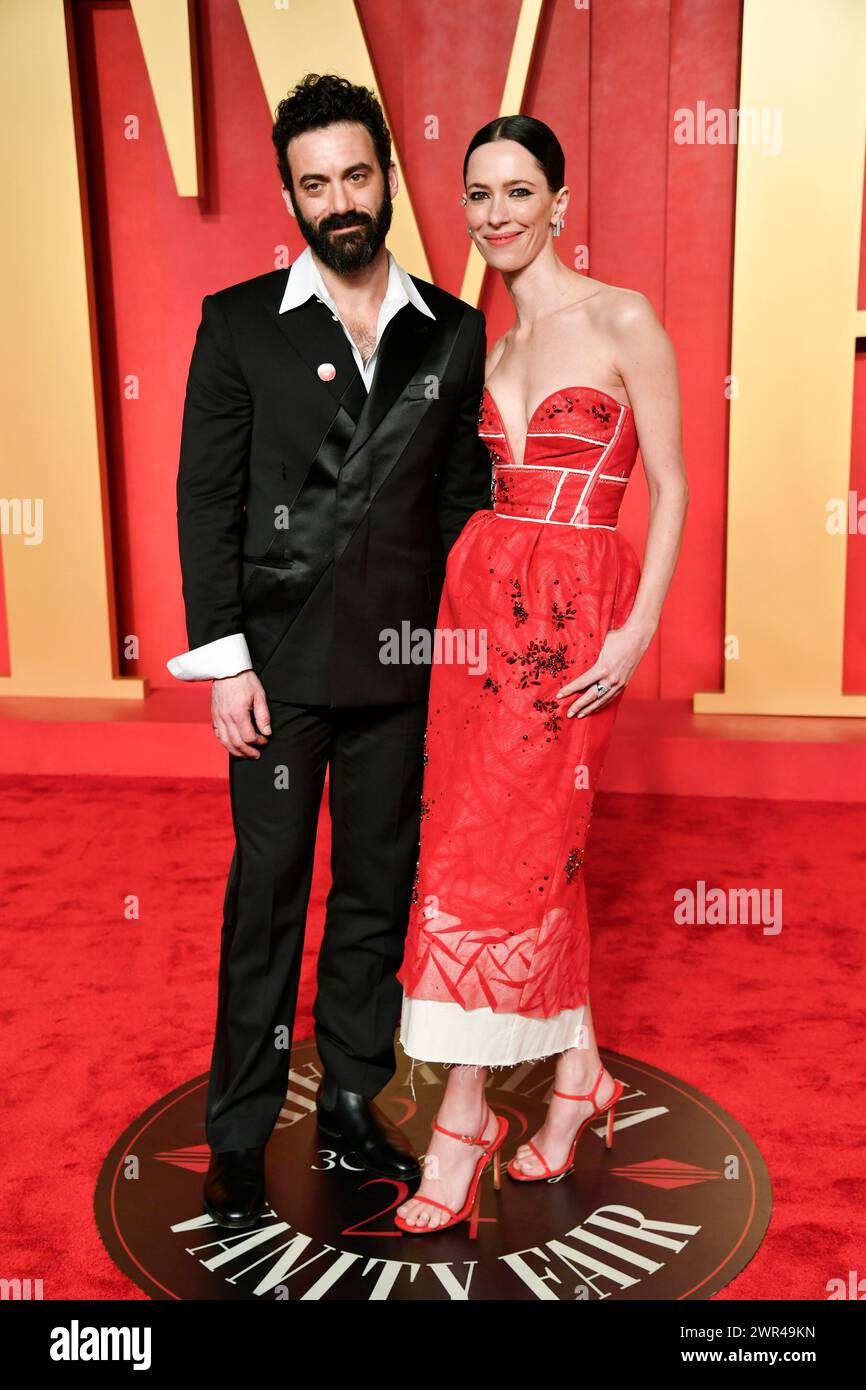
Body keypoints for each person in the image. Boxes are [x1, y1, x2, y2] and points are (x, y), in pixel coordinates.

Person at [167, 73, 492, 1230]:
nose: (339, 199)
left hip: (403, 672)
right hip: (278, 675)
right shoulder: (239, 321)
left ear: (388, 177)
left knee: (373, 892)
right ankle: (242, 1130)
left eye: (357, 174)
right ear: (292, 195)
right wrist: (226, 664)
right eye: (315, 182)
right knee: (267, 896)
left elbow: (461, 504)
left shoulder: (450, 331)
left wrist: (468, 654)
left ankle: (353, 1095)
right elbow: (205, 500)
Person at [394, 115, 689, 1233]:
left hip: (573, 623)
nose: (496, 214)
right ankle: (576, 1082)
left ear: (559, 200)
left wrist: (635, 631)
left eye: (518, 191)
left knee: (504, 856)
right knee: (493, 849)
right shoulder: (494, 347)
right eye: (477, 195)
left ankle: (460, 1119)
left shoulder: (622, 318)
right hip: (478, 616)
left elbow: (670, 483)